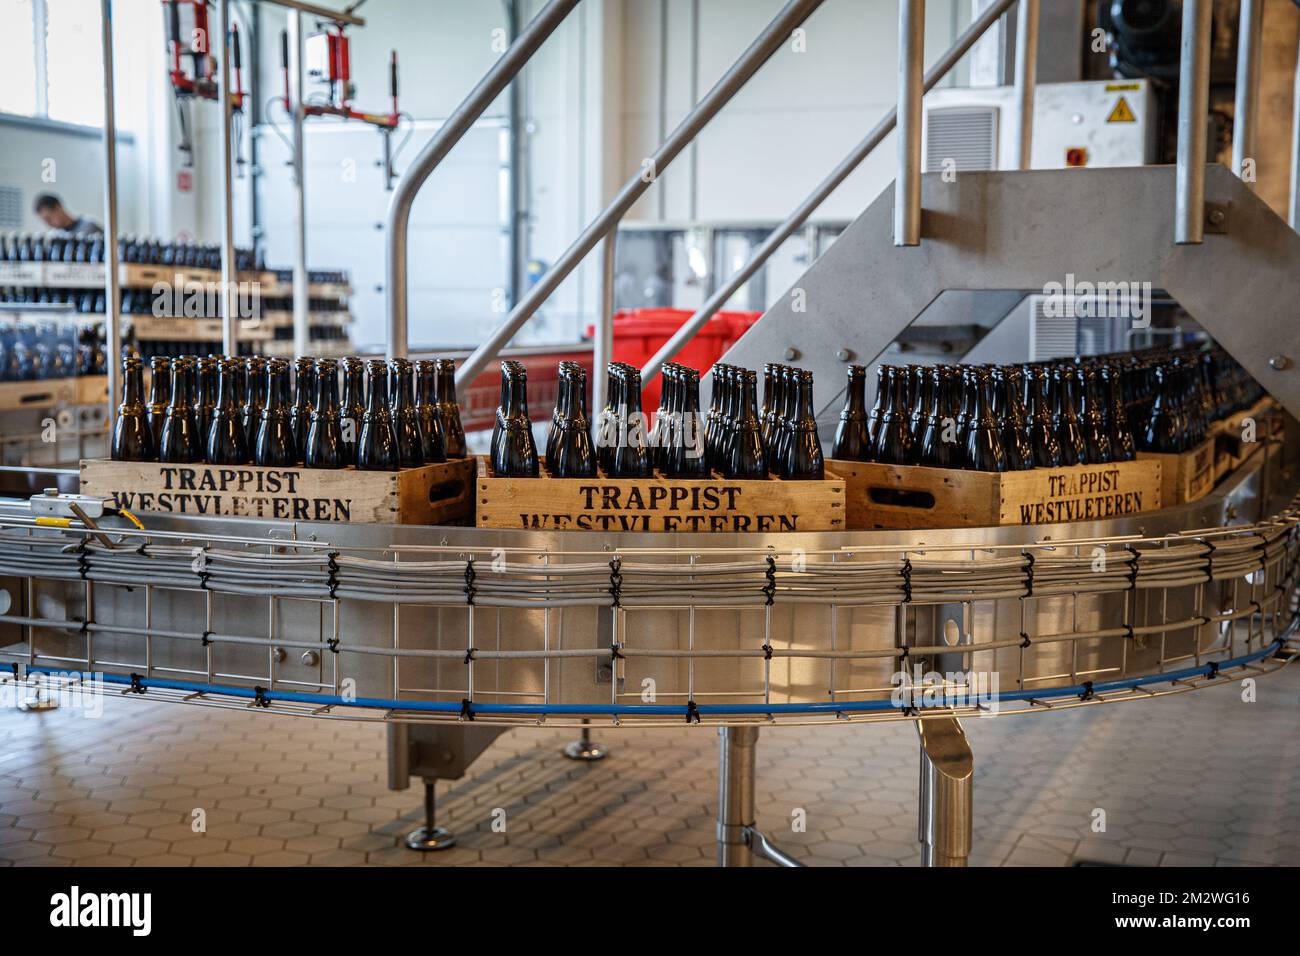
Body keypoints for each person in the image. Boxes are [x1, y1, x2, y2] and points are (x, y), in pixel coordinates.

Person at [33, 194, 103, 236]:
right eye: (45, 221)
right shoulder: (54, 236)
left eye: (49, 218)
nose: (49, 224)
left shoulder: (89, 227)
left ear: (58, 208)